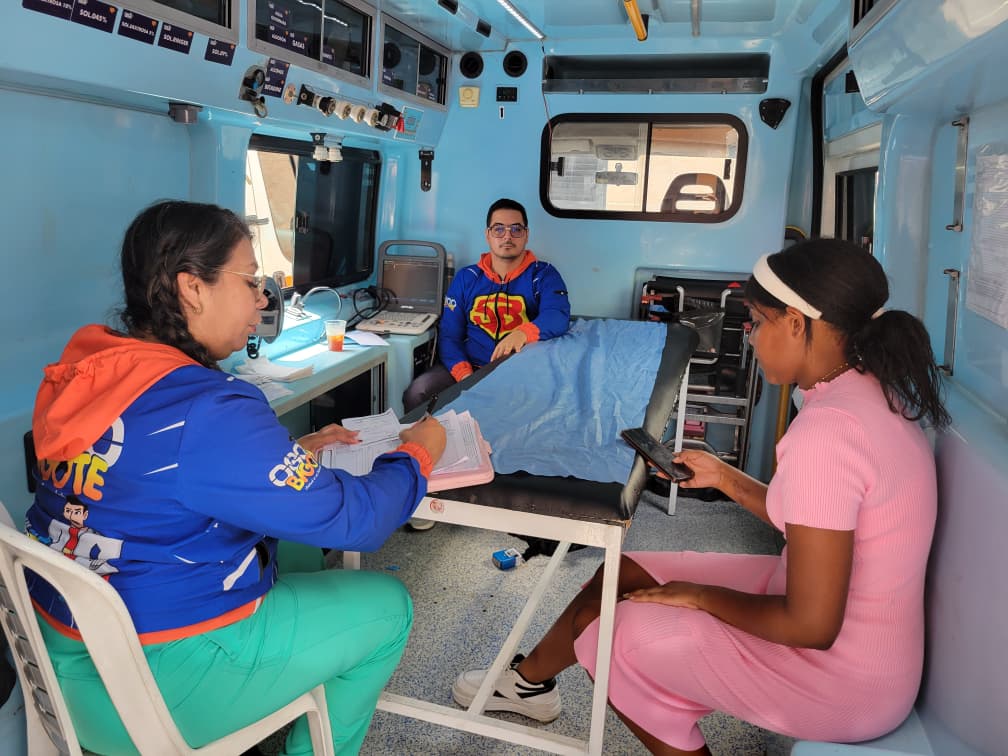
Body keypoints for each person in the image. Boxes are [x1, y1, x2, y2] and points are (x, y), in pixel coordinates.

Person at [451, 238, 949, 755]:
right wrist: (727, 478)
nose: (750, 337)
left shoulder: (828, 432)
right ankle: (528, 684)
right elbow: (819, 520)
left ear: (798, 323)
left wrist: (698, 597)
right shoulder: (870, 389)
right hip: (868, 647)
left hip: (845, 679)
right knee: (620, 575)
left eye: (756, 321)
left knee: (611, 636)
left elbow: (811, 625)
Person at [24, 200, 446, 755]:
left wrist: (289, 453)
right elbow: (355, 521)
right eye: (249, 281)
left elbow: (152, 481)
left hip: (59, 666)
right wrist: (416, 455)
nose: (262, 298)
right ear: (192, 289)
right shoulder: (209, 406)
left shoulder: (88, 377)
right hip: (152, 687)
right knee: (389, 608)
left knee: (291, 543)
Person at [402, 197, 571, 413]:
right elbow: (449, 335)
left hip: (522, 371)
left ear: (526, 235)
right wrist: (465, 376)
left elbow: (557, 315)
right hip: (469, 367)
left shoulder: (543, 274)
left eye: (516, 229)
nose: (507, 236)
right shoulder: (467, 278)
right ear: (488, 235)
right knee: (418, 393)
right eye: (499, 229)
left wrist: (522, 334)